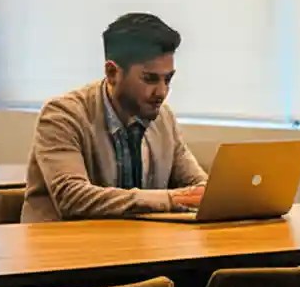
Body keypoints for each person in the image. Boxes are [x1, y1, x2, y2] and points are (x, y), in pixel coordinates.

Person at [21, 13, 207, 222]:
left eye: (168, 79)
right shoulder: (62, 115)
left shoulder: (164, 118)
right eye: (150, 79)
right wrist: (169, 199)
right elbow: (72, 197)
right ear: (112, 73)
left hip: (137, 247)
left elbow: (201, 188)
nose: (162, 92)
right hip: (62, 248)